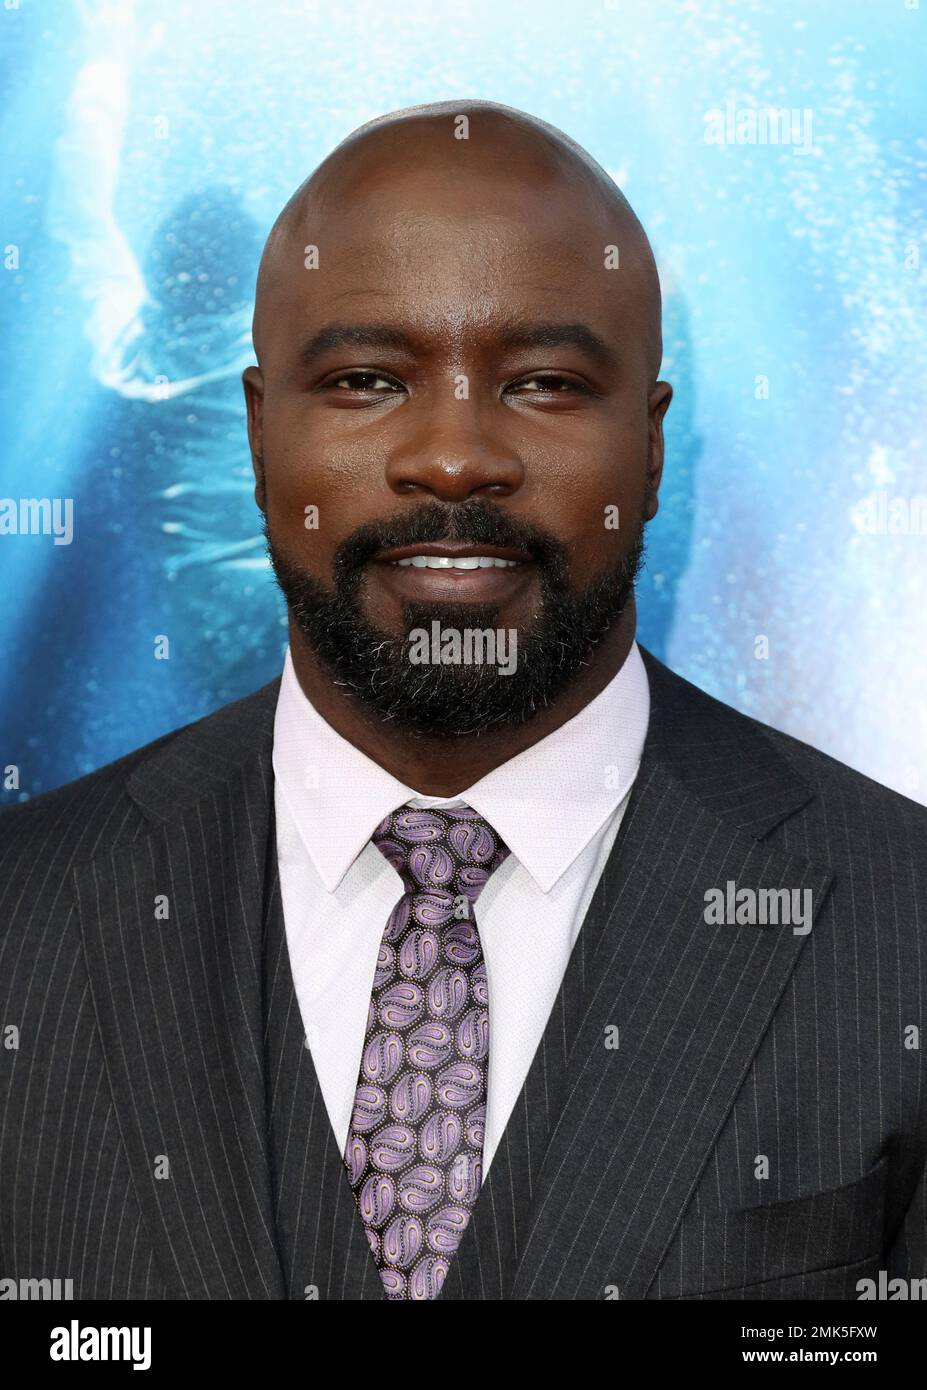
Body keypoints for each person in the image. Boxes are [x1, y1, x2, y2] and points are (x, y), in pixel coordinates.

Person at [1, 100, 925, 1303]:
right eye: (367, 377)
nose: (452, 456)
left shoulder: (901, 922)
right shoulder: (25, 917)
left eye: (542, 382)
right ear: (259, 430)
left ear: (649, 448)